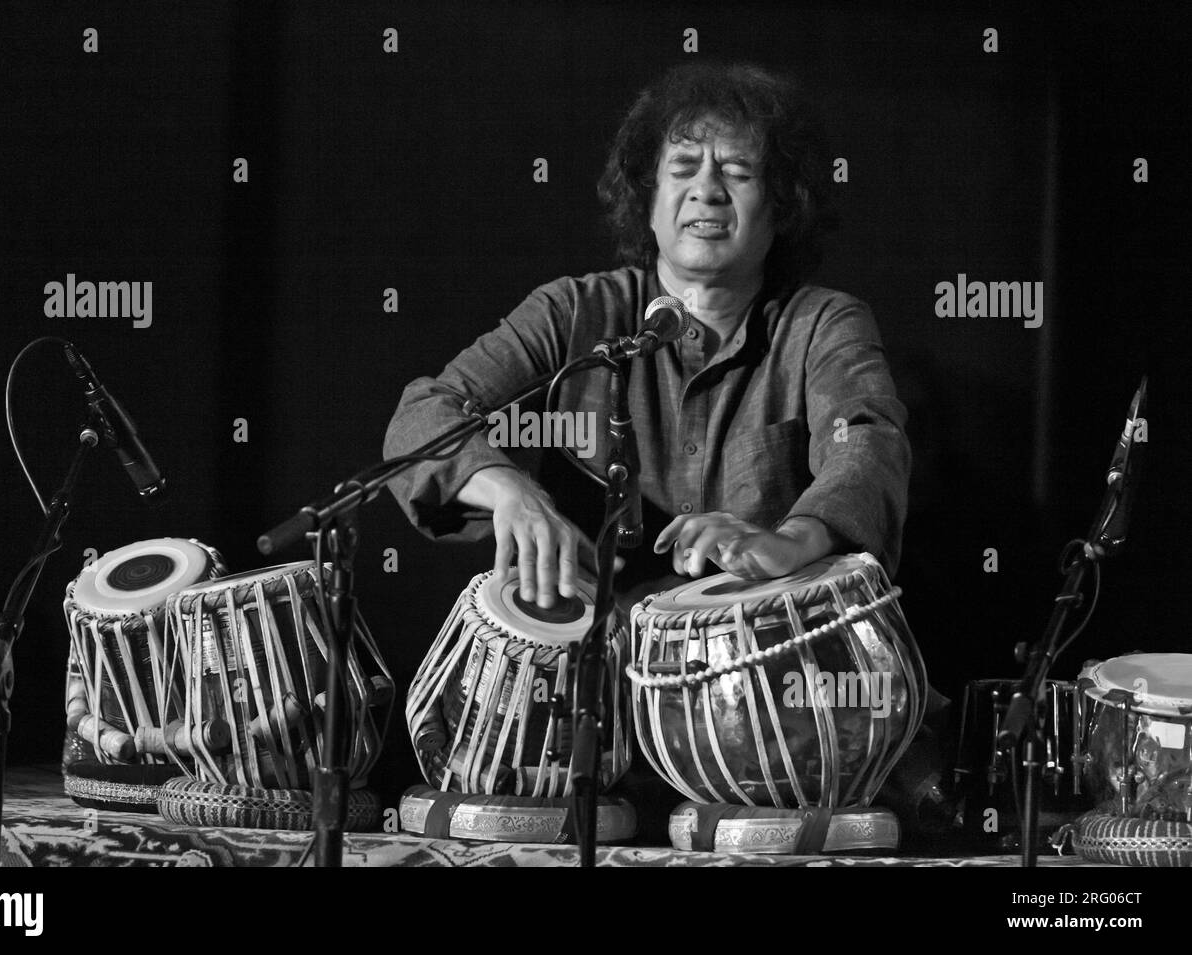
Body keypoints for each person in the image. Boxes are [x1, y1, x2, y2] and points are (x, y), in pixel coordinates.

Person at [383, 61, 911, 607]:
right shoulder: (573, 311)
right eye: (683, 167)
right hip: (591, 657)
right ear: (648, 201)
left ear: (780, 205)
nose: (707, 190)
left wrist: (792, 539)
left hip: (755, 667)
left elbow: (868, 444)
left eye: (737, 171)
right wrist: (513, 492)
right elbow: (425, 415)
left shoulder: (821, 323)